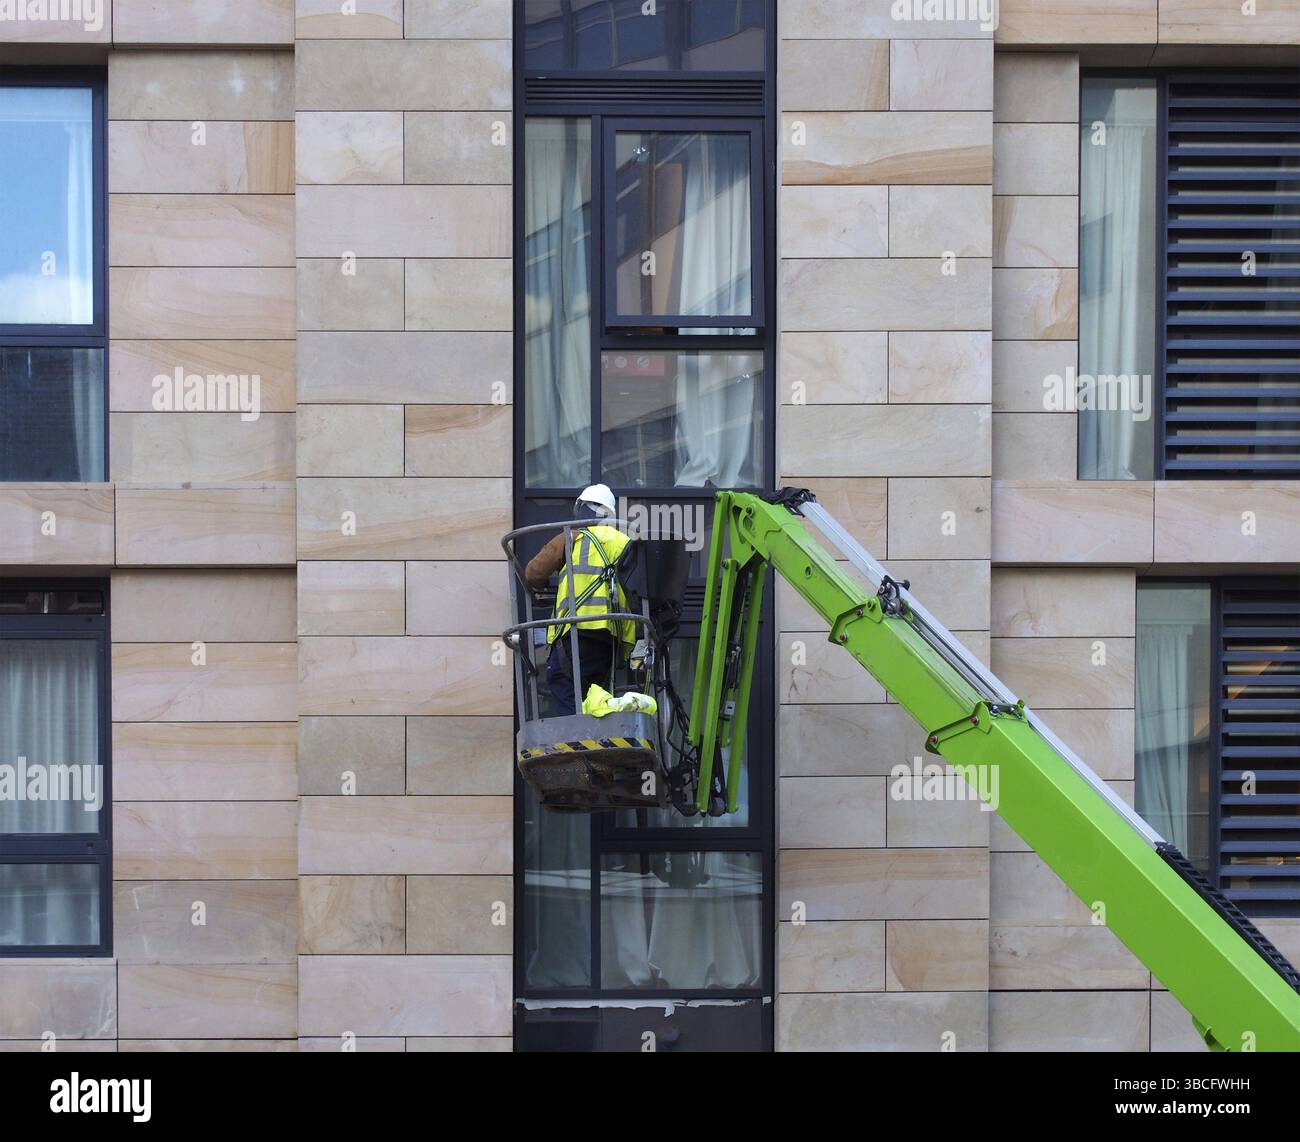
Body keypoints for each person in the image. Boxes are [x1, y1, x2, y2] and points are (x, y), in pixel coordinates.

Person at [525, 484, 634, 716]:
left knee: (561, 680)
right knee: (596, 695)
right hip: (611, 635)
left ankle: (577, 735)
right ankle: (593, 734)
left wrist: (545, 586)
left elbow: (534, 572)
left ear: (583, 508)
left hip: (576, 630)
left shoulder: (571, 536)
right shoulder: (624, 542)